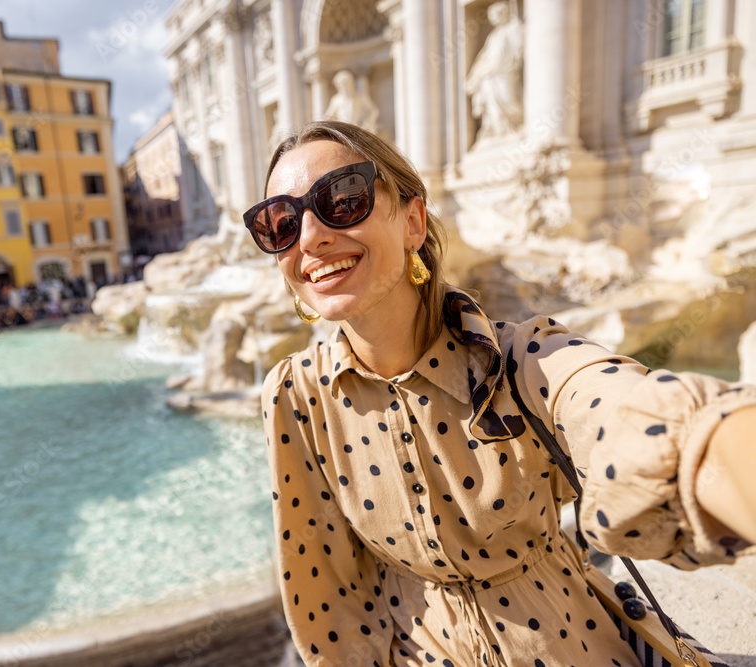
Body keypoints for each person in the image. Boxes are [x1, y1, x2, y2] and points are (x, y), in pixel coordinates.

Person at [245, 120, 756, 666]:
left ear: (412, 221)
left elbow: (639, 418)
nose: (310, 238)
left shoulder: (525, 359)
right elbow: (329, 600)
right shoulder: (295, 396)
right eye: (280, 223)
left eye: (343, 200)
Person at [465, 1, 524, 141]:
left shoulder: (512, 28)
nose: (493, 18)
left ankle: (514, 127)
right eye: (491, 15)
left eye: (496, 14)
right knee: (491, 104)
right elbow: (484, 57)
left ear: (504, 14)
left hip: (506, 73)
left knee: (510, 102)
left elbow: (520, 49)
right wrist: (476, 75)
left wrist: (517, 28)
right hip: (491, 75)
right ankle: (496, 129)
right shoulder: (493, 36)